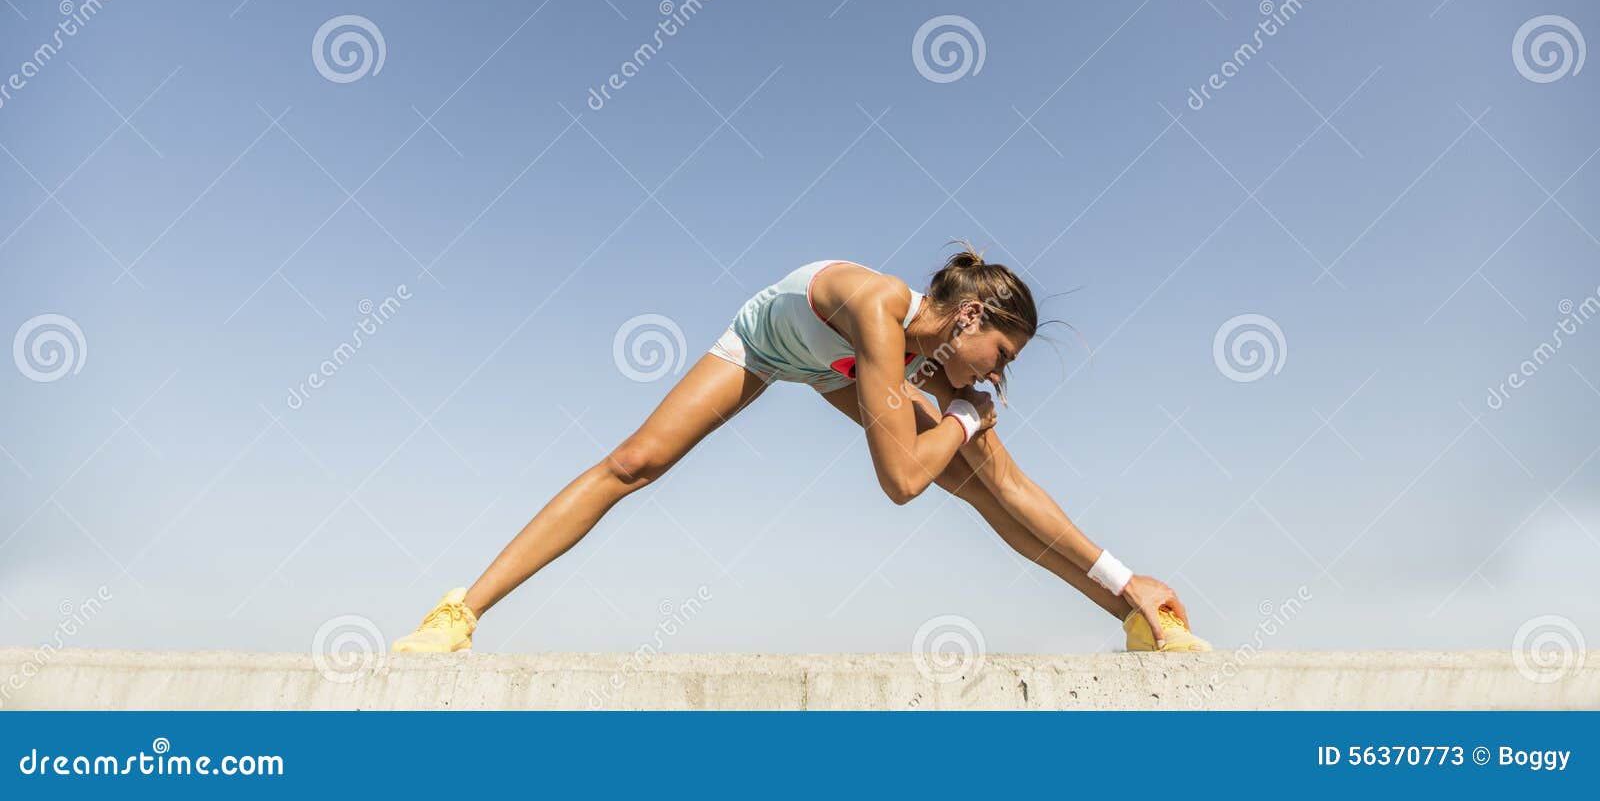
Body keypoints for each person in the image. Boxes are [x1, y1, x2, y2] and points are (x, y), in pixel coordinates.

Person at [392, 246, 1211, 654]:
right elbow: (899, 484)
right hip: (768, 343)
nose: (999, 375)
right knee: (635, 463)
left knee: (986, 476)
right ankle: (458, 612)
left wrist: (970, 426)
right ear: (968, 322)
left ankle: (1131, 604)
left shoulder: (918, 349)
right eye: (1001, 356)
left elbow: (976, 471)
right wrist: (965, 418)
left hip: (842, 367)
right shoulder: (880, 316)